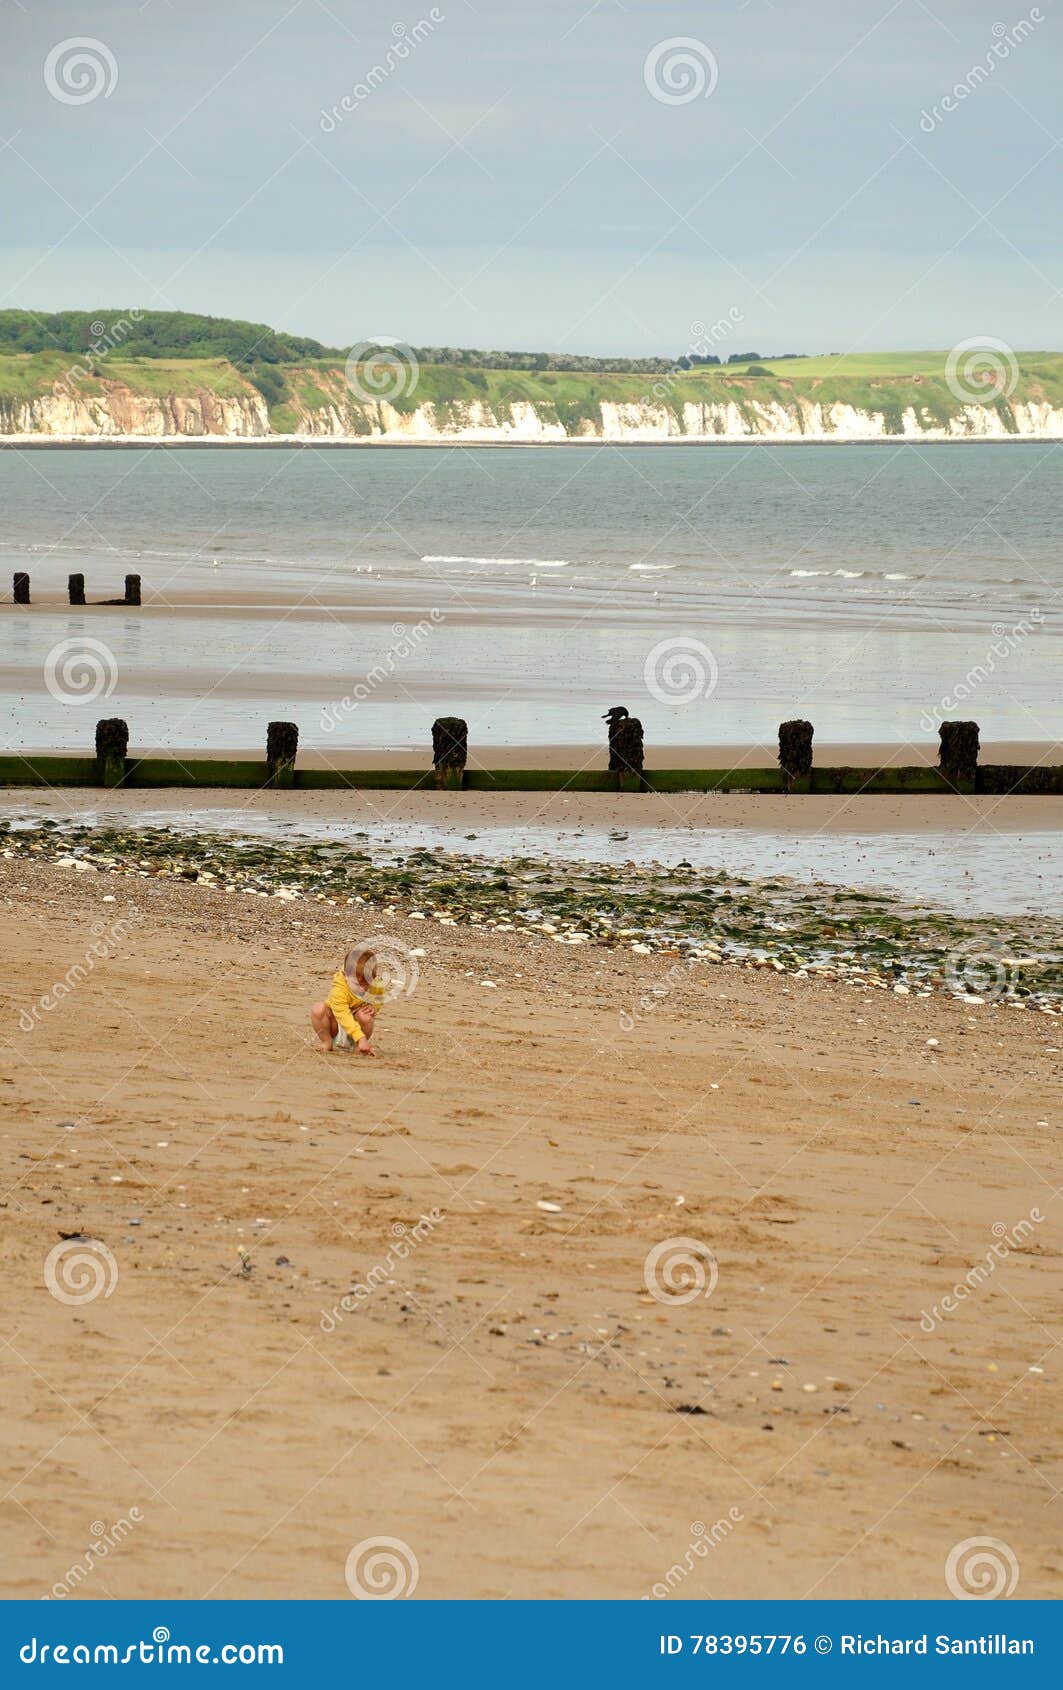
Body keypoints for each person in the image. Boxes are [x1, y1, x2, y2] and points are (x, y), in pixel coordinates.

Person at [311, 945, 386, 1056]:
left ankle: (358, 1048)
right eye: (357, 984)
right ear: (346, 976)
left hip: (357, 1022)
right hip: (336, 1023)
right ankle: (327, 1042)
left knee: (366, 1015)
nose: (362, 988)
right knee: (318, 1009)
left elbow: (379, 997)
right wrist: (361, 1038)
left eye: (366, 985)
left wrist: (374, 1006)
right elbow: (342, 1015)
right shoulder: (339, 989)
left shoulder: (376, 983)